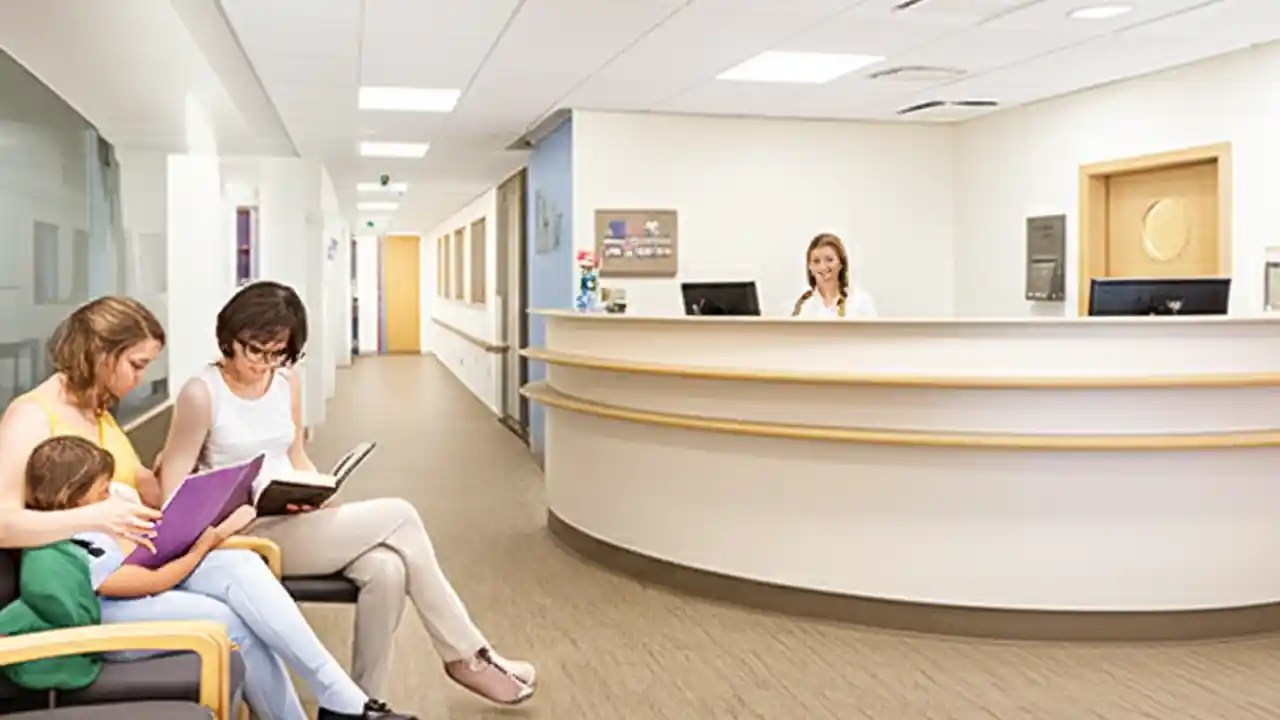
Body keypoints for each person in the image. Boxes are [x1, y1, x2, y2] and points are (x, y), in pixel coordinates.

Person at [0, 296, 415, 720]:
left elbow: (141, 485)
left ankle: (339, 699)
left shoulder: (97, 412)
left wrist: (188, 485)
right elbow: (3, 524)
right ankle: (334, 707)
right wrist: (94, 516)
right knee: (228, 618)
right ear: (100, 354)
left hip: (139, 555)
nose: (142, 380)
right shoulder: (31, 416)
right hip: (89, 591)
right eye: (137, 365)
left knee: (246, 568)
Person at [157, 280, 536, 705]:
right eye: (254, 350)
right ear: (229, 337)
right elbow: (174, 483)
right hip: (244, 534)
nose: (264, 364)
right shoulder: (202, 392)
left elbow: (295, 453)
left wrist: (318, 490)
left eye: (277, 353)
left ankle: (358, 703)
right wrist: (216, 526)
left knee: (387, 570)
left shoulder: (286, 382)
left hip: (292, 517)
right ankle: (468, 655)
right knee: (400, 513)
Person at [791, 233, 878, 319]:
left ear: (841, 263)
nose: (823, 267)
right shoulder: (800, 305)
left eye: (829, 260)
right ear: (809, 266)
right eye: (816, 261)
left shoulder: (861, 302)